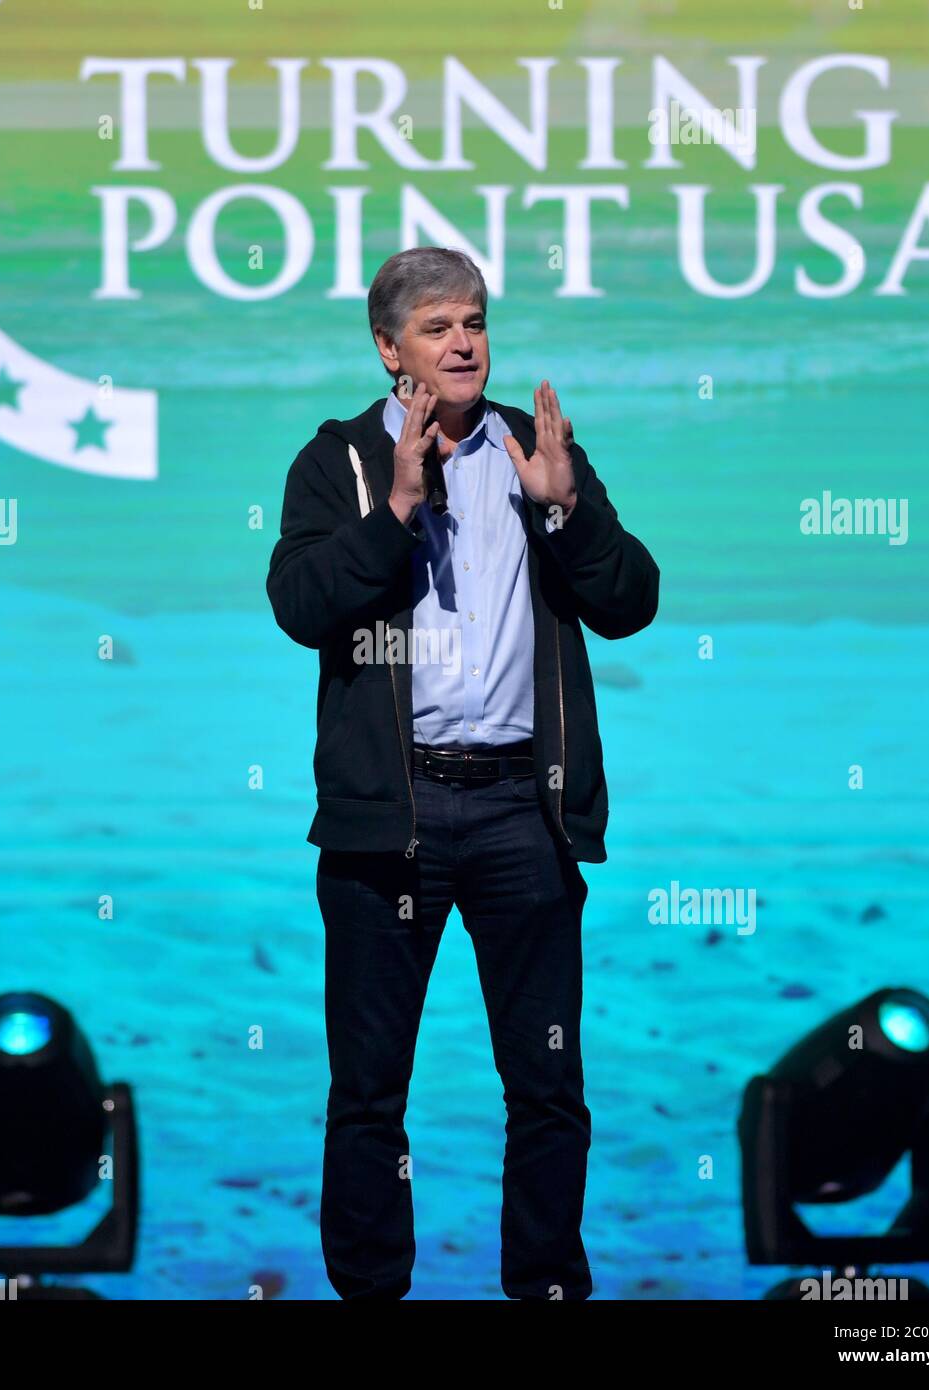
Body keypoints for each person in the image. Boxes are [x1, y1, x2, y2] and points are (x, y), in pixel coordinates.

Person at [266, 246, 660, 1300]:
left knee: (547, 1087)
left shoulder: (538, 451)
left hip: (519, 815)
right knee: (368, 1092)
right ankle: (369, 1292)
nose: (463, 342)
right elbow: (301, 605)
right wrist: (393, 510)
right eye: (437, 326)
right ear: (389, 347)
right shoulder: (339, 462)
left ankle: (542, 1286)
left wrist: (565, 511)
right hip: (385, 823)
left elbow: (631, 601)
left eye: (475, 321)